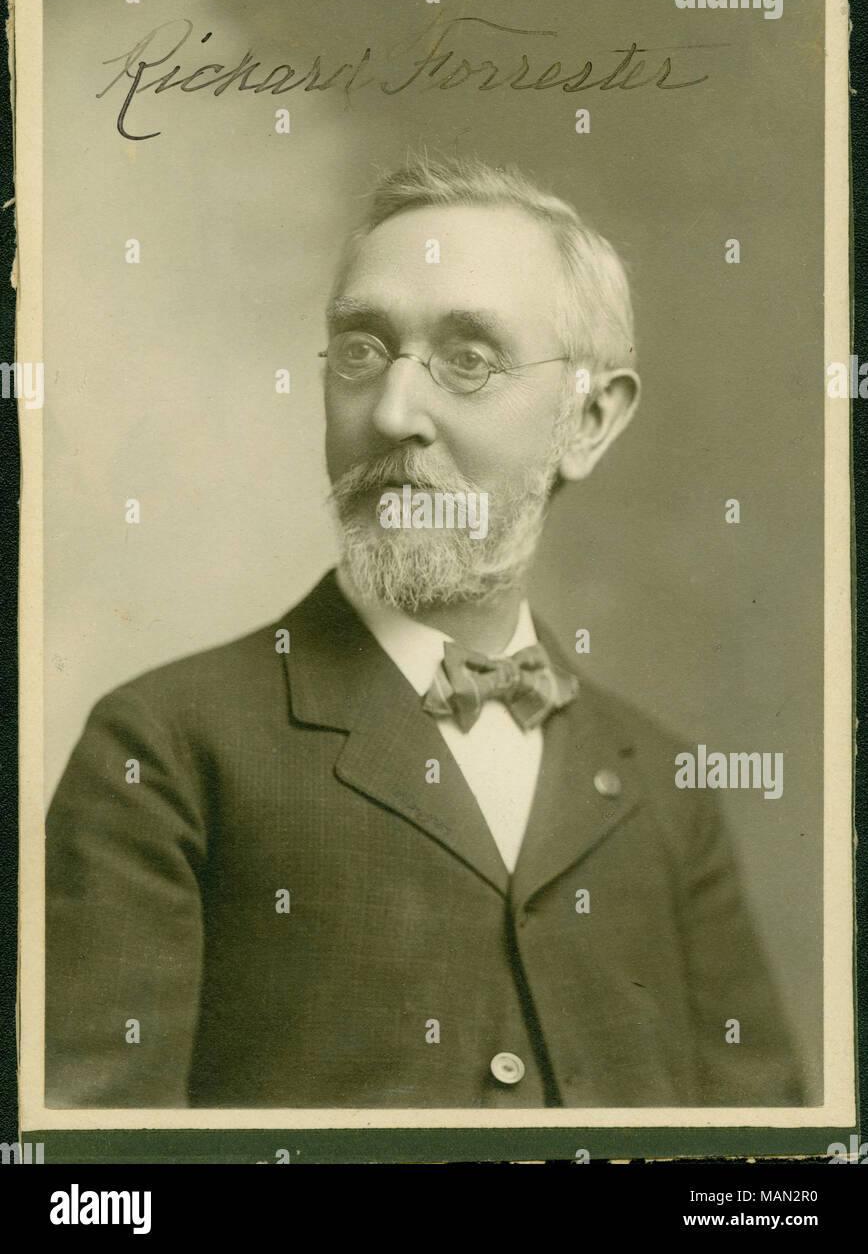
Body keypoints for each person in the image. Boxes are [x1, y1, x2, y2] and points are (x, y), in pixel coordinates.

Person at [45, 155, 803, 1108]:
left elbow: (769, 1179)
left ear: (591, 420)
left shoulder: (666, 787)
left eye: (469, 361)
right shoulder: (164, 751)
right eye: (361, 351)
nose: (394, 413)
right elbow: (95, 1180)